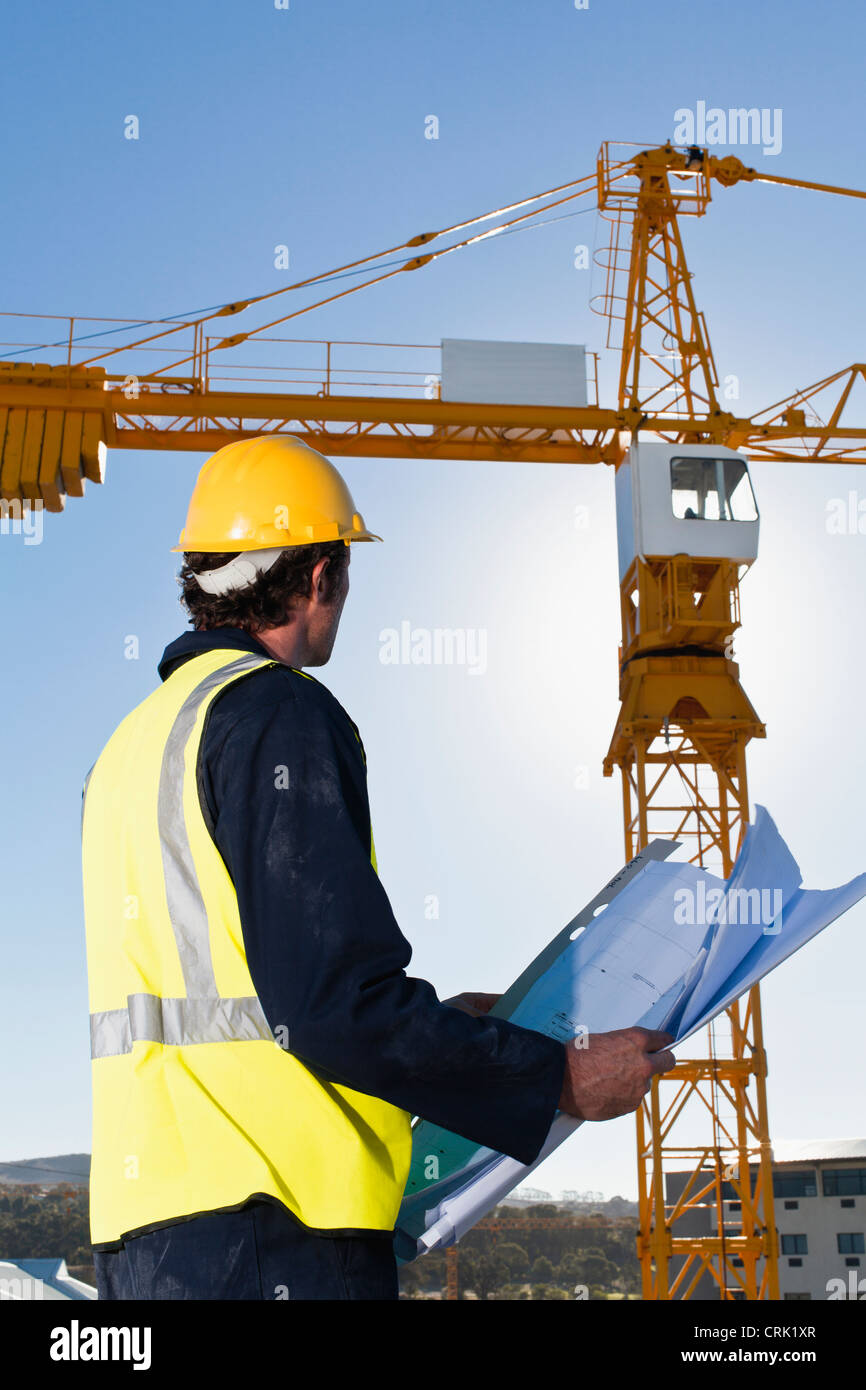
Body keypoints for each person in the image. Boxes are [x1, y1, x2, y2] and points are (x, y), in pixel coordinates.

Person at [82, 434, 675, 1301]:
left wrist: (448, 1022)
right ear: (320, 575)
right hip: (280, 1226)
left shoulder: (132, 748)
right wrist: (558, 1077)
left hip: (148, 1243)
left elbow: (240, 989)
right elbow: (329, 1007)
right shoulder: (276, 712)